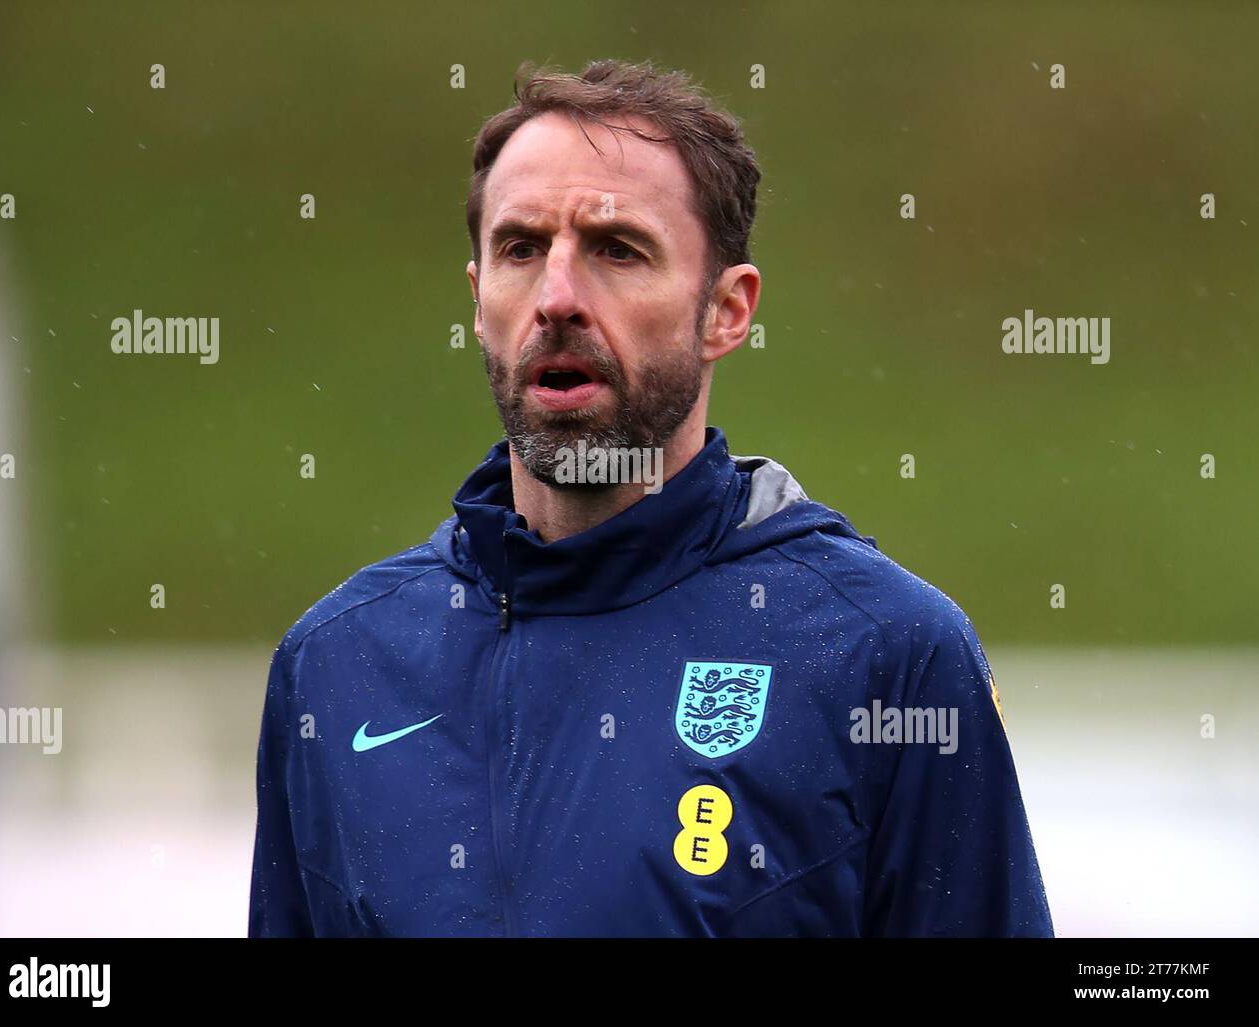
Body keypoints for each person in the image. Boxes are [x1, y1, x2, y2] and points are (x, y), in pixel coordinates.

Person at [249, 58, 1053, 937]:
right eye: (521, 248)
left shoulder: (885, 653)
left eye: (616, 250)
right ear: (479, 301)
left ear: (726, 311)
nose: (557, 297)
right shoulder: (336, 661)